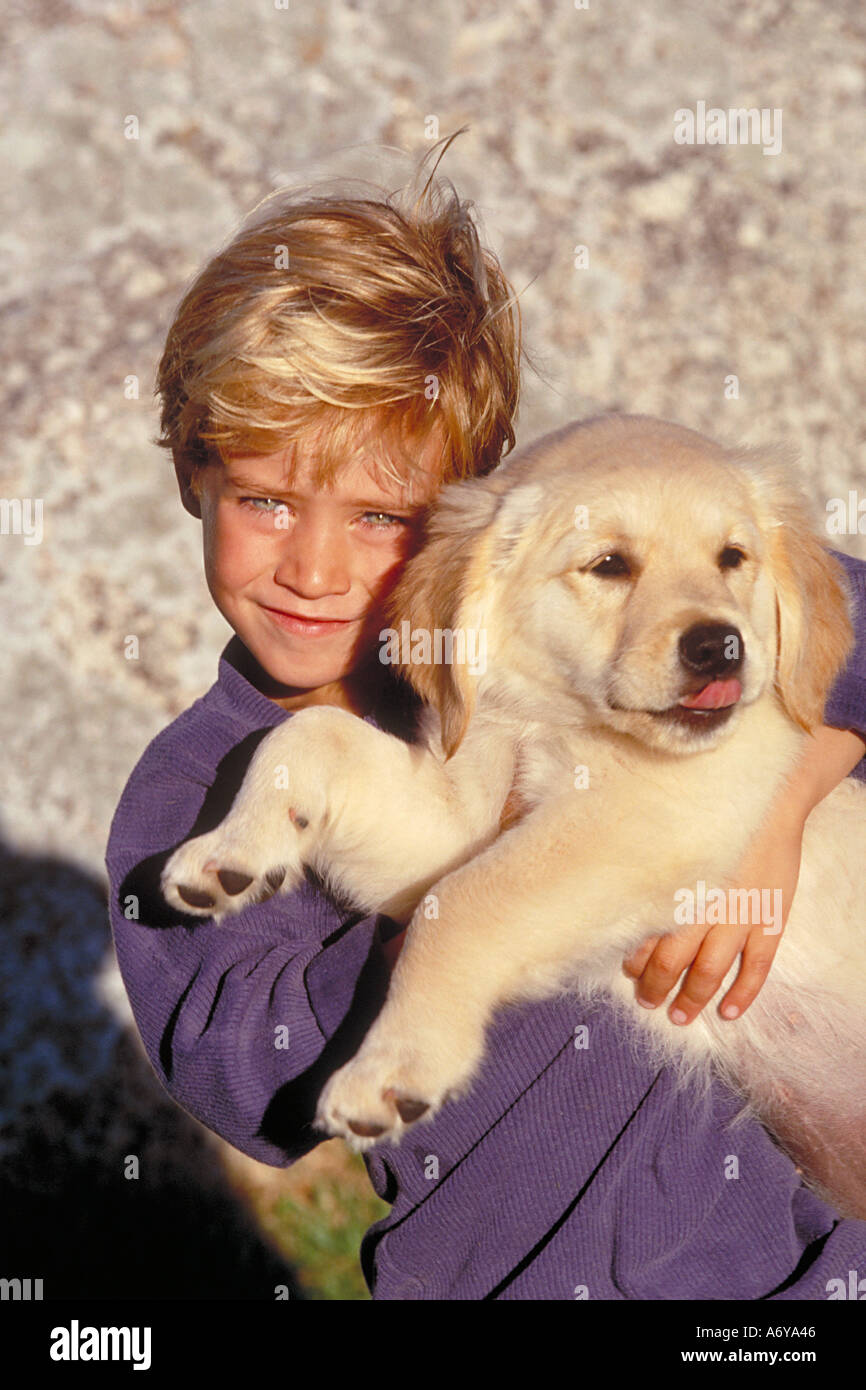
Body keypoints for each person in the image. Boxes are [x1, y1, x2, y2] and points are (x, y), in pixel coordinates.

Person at [106, 136, 866, 1299]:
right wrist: (448, 938)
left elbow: (827, 603)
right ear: (191, 482)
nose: (314, 566)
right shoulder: (194, 786)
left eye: (377, 517)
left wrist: (797, 775)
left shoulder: (523, 652)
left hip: (786, 1268)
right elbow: (243, 1085)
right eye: (264, 500)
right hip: (505, 1274)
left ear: (463, 520)